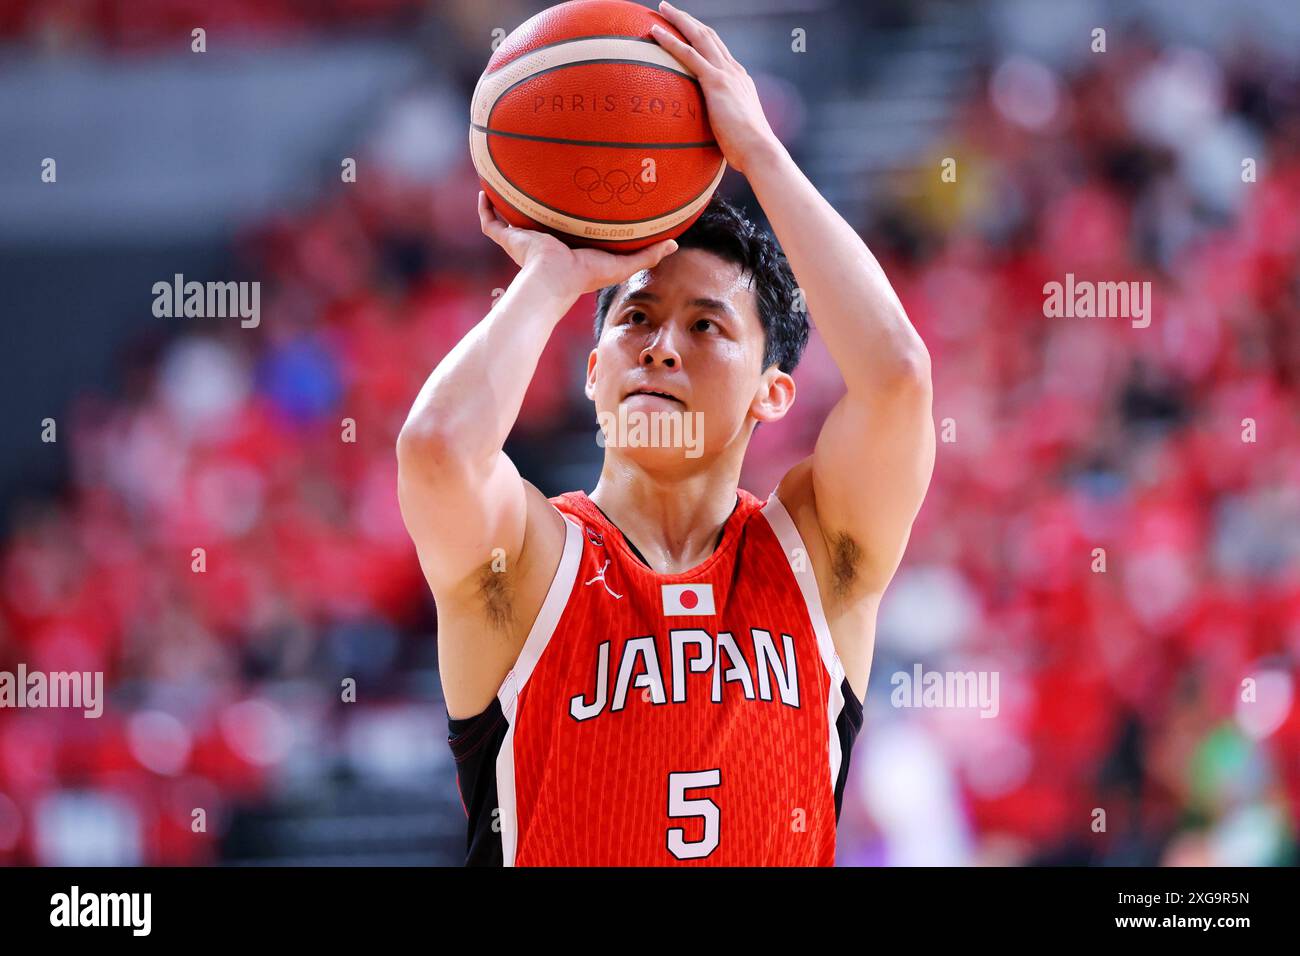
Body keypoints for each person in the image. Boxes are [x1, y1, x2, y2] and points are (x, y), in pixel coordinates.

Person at [397, 0, 934, 865]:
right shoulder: (532, 564)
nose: (660, 348)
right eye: (636, 320)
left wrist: (758, 152)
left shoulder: (817, 558)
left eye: (707, 327)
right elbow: (435, 452)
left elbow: (900, 379)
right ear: (593, 374)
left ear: (773, 393)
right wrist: (552, 275)